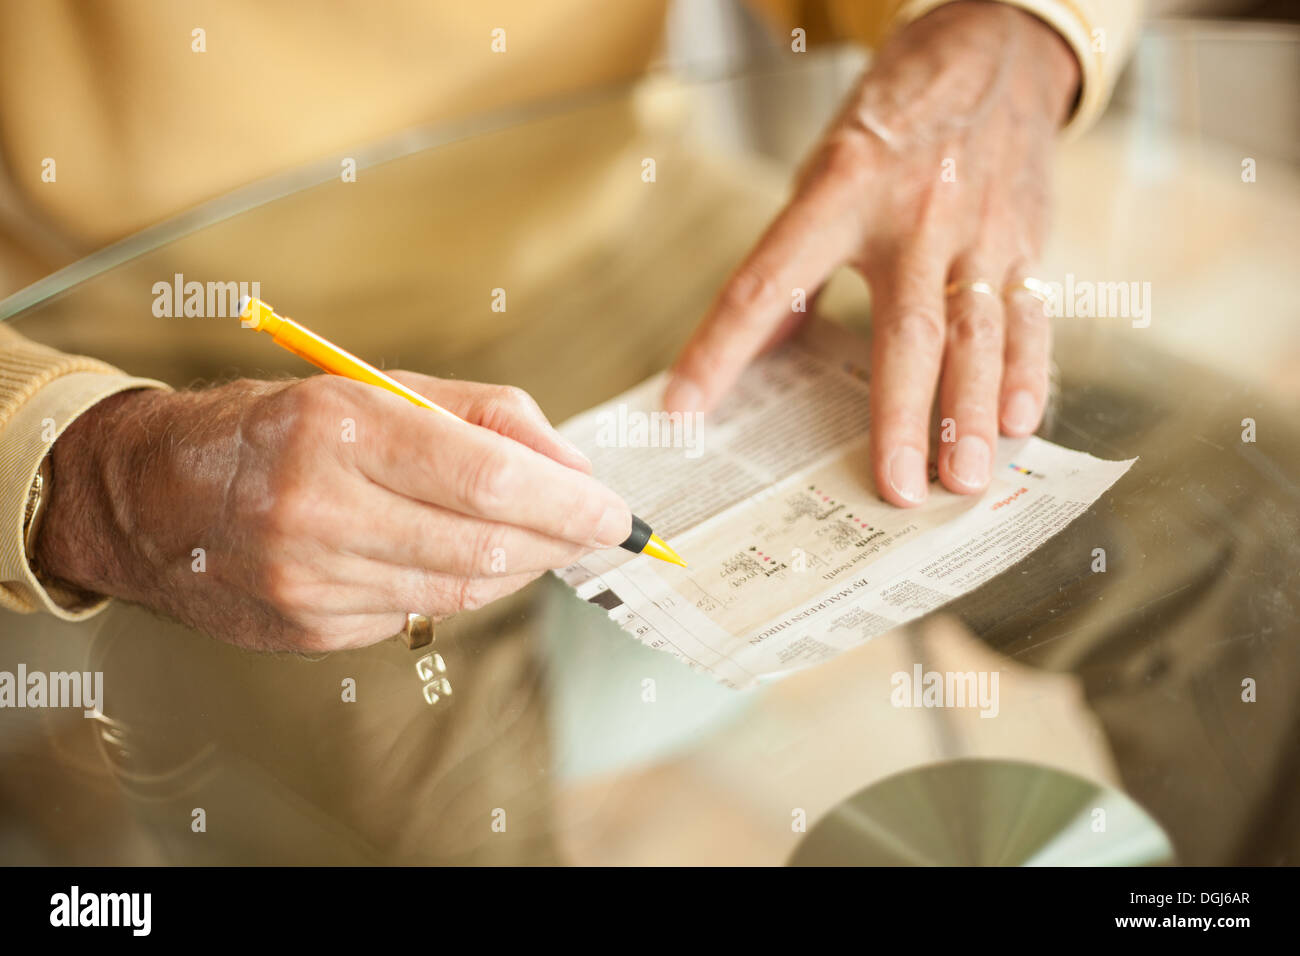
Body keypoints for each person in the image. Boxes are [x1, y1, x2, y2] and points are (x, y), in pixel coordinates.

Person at [0, 0, 1137, 651]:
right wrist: (102, 479)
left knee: (1222, 534)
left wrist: (1015, 32)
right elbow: (102, 472)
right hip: (148, 338)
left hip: (621, 210)